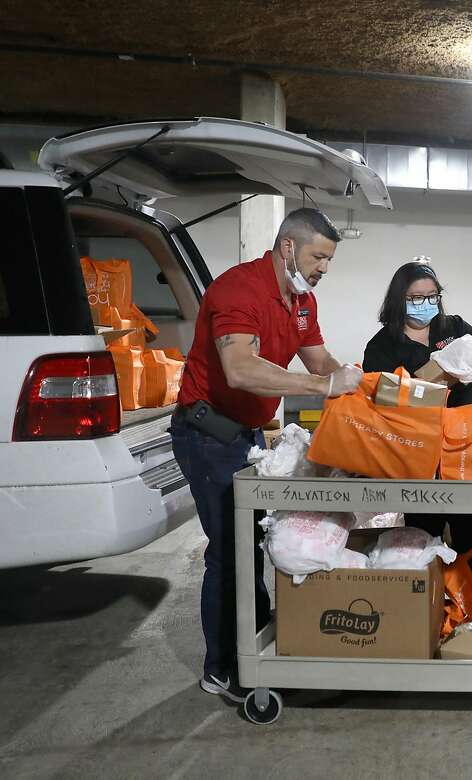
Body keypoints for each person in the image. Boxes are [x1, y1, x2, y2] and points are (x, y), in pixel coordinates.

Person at [172, 208, 364, 702]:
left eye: (329, 259)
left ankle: (254, 648)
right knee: (231, 550)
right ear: (287, 248)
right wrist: (324, 385)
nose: (324, 267)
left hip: (250, 434)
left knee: (251, 545)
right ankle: (224, 668)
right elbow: (238, 368)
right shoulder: (239, 290)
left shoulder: (302, 301)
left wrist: (363, 392)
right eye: (319, 256)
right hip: (209, 431)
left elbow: (319, 359)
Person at [363, 259, 472, 553]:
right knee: (423, 539)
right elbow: (382, 400)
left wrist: (470, 368)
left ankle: (467, 593)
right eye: (415, 298)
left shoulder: (454, 327)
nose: (425, 304)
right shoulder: (382, 346)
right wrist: (426, 383)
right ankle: (431, 597)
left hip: (465, 444)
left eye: (432, 296)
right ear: (398, 300)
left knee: (471, 535)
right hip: (417, 449)